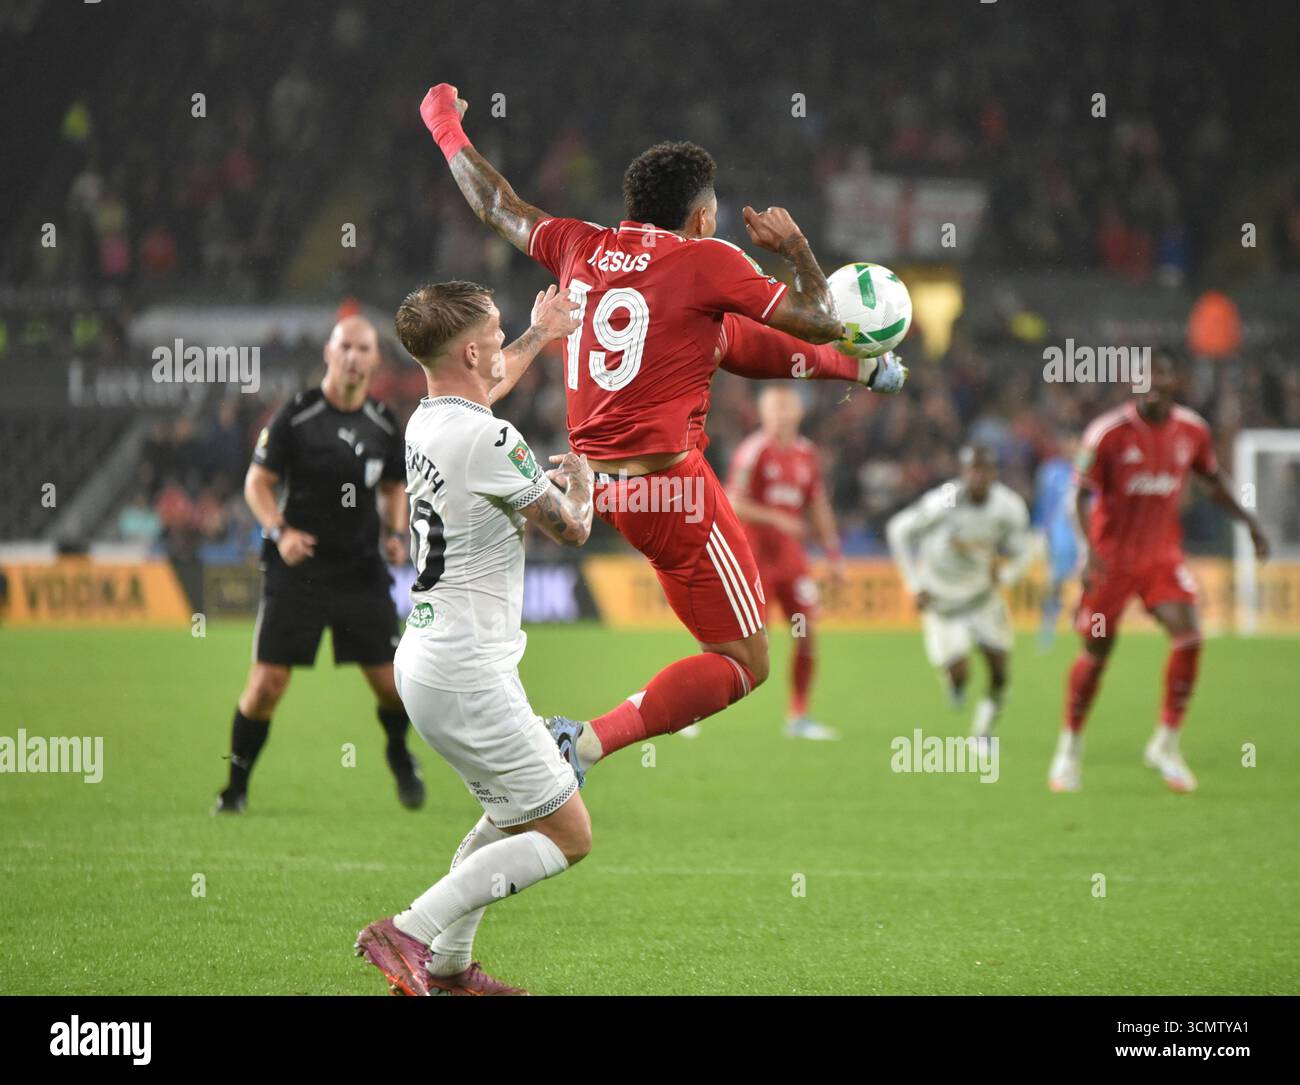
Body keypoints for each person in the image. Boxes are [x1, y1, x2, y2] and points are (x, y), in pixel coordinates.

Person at [418, 82, 906, 785]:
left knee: (715, 336)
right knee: (743, 661)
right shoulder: (707, 261)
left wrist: (444, 125)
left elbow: (497, 204)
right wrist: (797, 247)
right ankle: (580, 742)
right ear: (702, 215)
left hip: (596, 490)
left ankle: (867, 374)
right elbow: (821, 316)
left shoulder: (577, 245)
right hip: (672, 495)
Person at [355, 279, 596, 996]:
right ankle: (407, 930)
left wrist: (539, 333)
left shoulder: (428, 419)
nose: (502, 340)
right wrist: (583, 483)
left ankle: (452, 973)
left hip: (428, 660)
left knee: (510, 813)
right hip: (466, 672)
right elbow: (573, 527)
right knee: (568, 834)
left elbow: (486, 391)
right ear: (468, 347)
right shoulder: (491, 437)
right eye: (495, 331)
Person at [212, 315, 420, 814]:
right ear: (329, 353)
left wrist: (394, 533)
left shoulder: (384, 422)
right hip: (298, 569)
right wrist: (279, 532)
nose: (353, 356)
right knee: (266, 686)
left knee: (394, 687)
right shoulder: (296, 416)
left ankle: (397, 751)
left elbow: (395, 486)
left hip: (360, 570)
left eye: (363, 349)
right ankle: (235, 788)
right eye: (344, 346)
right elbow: (256, 484)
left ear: (375, 360)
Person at [1049, 349, 1269, 793]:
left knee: (1189, 637)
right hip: (1110, 562)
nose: (1150, 382)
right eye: (1141, 376)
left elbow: (1211, 480)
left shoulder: (1192, 430)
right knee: (1095, 654)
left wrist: (1248, 523)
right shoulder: (1107, 433)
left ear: (1175, 381)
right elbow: (1076, 498)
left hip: (1162, 559)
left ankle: (1165, 744)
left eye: (1159, 375)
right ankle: (1069, 748)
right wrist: (1088, 553)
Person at [722, 385, 844, 741]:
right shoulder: (753, 452)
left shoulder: (807, 454)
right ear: (763, 414)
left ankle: (799, 715)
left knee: (805, 632)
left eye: (786, 409)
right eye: (774, 409)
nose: (780, 415)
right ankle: (695, 707)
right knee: (749, 645)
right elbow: (733, 501)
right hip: (755, 563)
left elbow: (818, 505)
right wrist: (777, 519)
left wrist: (834, 554)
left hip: (792, 564)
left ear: (798, 413)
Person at [886, 445, 1032, 739]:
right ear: (964, 472)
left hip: (982, 597)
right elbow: (898, 530)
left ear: (994, 474)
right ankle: (955, 684)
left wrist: (1005, 576)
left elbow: (1024, 550)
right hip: (942, 601)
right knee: (960, 672)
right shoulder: (945, 500)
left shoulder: (1008, 507)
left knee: (1000, 669)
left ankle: (983, 734)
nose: (978, 476)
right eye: (972, 470)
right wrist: (914, 585)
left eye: (984, 470)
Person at [1033, 435, 1081, 648]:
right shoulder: (1051, 472)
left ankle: (1095, 632)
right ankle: (1047, 631)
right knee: (1054, 585)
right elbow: (1044, 504)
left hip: (1083, 540)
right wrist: (1041, 531)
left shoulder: (1091, 474)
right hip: (1059, 539)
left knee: (1091, 589)